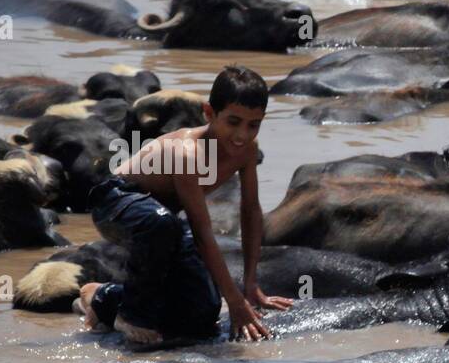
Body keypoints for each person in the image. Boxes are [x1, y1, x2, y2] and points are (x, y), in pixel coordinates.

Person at [77, 64, 292, 345]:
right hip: (117, 203)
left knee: (203, 312)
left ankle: (101, 297)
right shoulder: (187, 154)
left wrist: (250, 285)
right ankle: (132, 314)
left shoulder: (246, 151)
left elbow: (250, 210)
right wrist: (236, 302)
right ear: (209, 113)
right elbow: (203, 234)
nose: (242, 135)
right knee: (160, 223)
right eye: (233, 121)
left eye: (254, 124)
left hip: (163, 220)